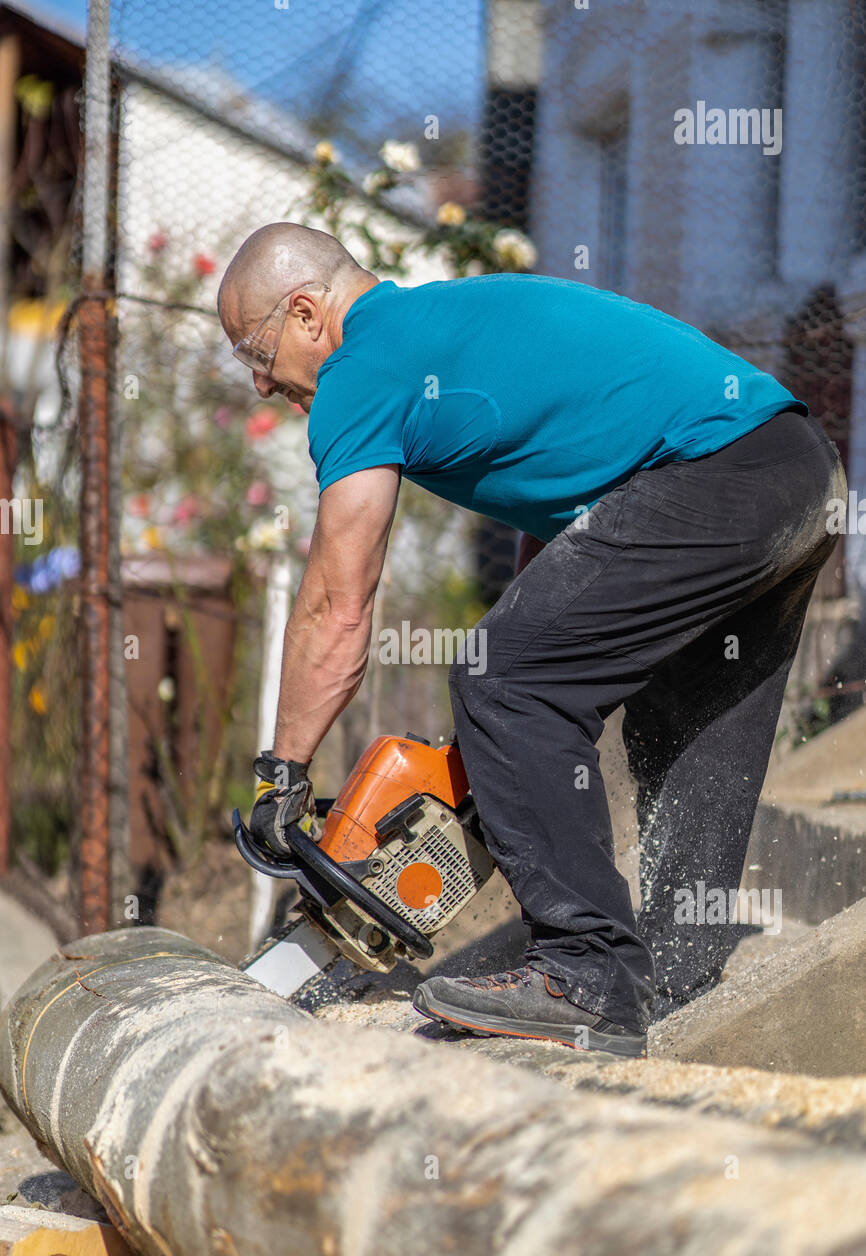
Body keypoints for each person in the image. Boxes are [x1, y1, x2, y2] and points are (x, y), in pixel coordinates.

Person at [218, 222, 845, 1057]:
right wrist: (497, 751)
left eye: (254, 352)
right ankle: (670, 972)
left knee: (502, 679)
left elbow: (337, 603)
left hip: (717, 474)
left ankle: (585, 973)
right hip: (794, 469)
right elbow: (572, 513)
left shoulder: (361, 368)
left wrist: (284, 775)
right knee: (684, 719)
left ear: (305, 313)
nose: (260, 384)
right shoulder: (443, 326)